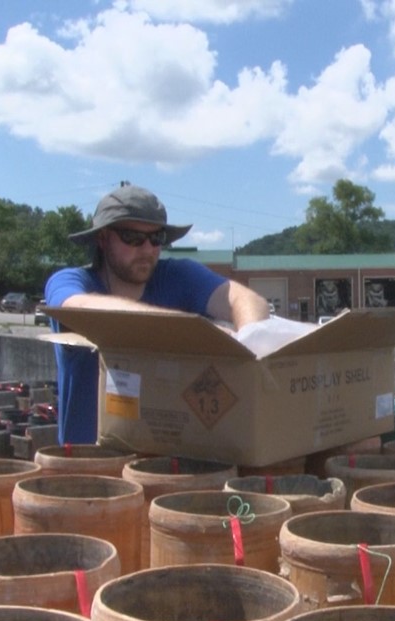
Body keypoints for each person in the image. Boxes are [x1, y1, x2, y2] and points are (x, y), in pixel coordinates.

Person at [44, 183, 271, 444]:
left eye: (157, 238)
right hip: (89, 465)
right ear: (103, 239)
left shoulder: (178, 276)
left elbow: (245, 299)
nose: (148, 249)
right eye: (133, 238)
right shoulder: (71, 281)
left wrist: (252, 342)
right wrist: (194, 332)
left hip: (166, 462)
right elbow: (79, 309)